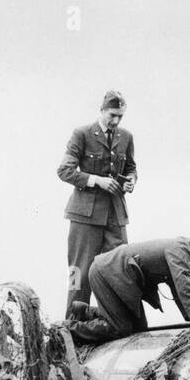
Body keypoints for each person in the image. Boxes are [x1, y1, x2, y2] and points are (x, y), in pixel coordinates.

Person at [58, 90, 137, 318]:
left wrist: (131, 180)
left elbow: (131, 167)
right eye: (112, 115)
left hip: (116, 216)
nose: (116, 121)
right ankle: (73, 325)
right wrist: (96, 181)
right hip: (85, 217)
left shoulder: (126, 137)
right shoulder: (82, 134)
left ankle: (120, 323)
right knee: (78, 272)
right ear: (101, 111)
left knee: (122, 269)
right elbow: (64, 170)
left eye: (120, 116)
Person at [65, 237, 190, 344]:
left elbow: (178, 291)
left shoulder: (182, 249)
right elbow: (184, 285)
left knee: (139, 328)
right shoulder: (182, 249)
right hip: (106, 273)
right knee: (120, 329)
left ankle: (85, 312)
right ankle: (69, 329)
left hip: (117, 277)